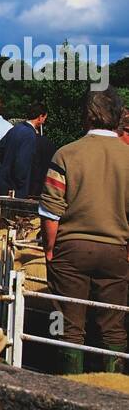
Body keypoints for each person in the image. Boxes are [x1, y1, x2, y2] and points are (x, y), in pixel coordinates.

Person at [39, 87, 129, 375]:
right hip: (116, 249)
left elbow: (51, 211)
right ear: (117, 119)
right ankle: (111, 395)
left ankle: (70, 395)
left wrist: (50, 249)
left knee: (68, 326)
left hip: (71, 249)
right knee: (113, 326)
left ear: (86, 118)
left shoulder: (66, 154)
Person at [0, 104, 48, 198]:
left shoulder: (15, 129)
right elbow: (22, 163)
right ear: (40, 117)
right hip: (16, 187)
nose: (44, 122)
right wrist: (21, 182)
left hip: (3, 181)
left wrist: (8, 164)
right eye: (44, 118)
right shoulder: (30, 135)